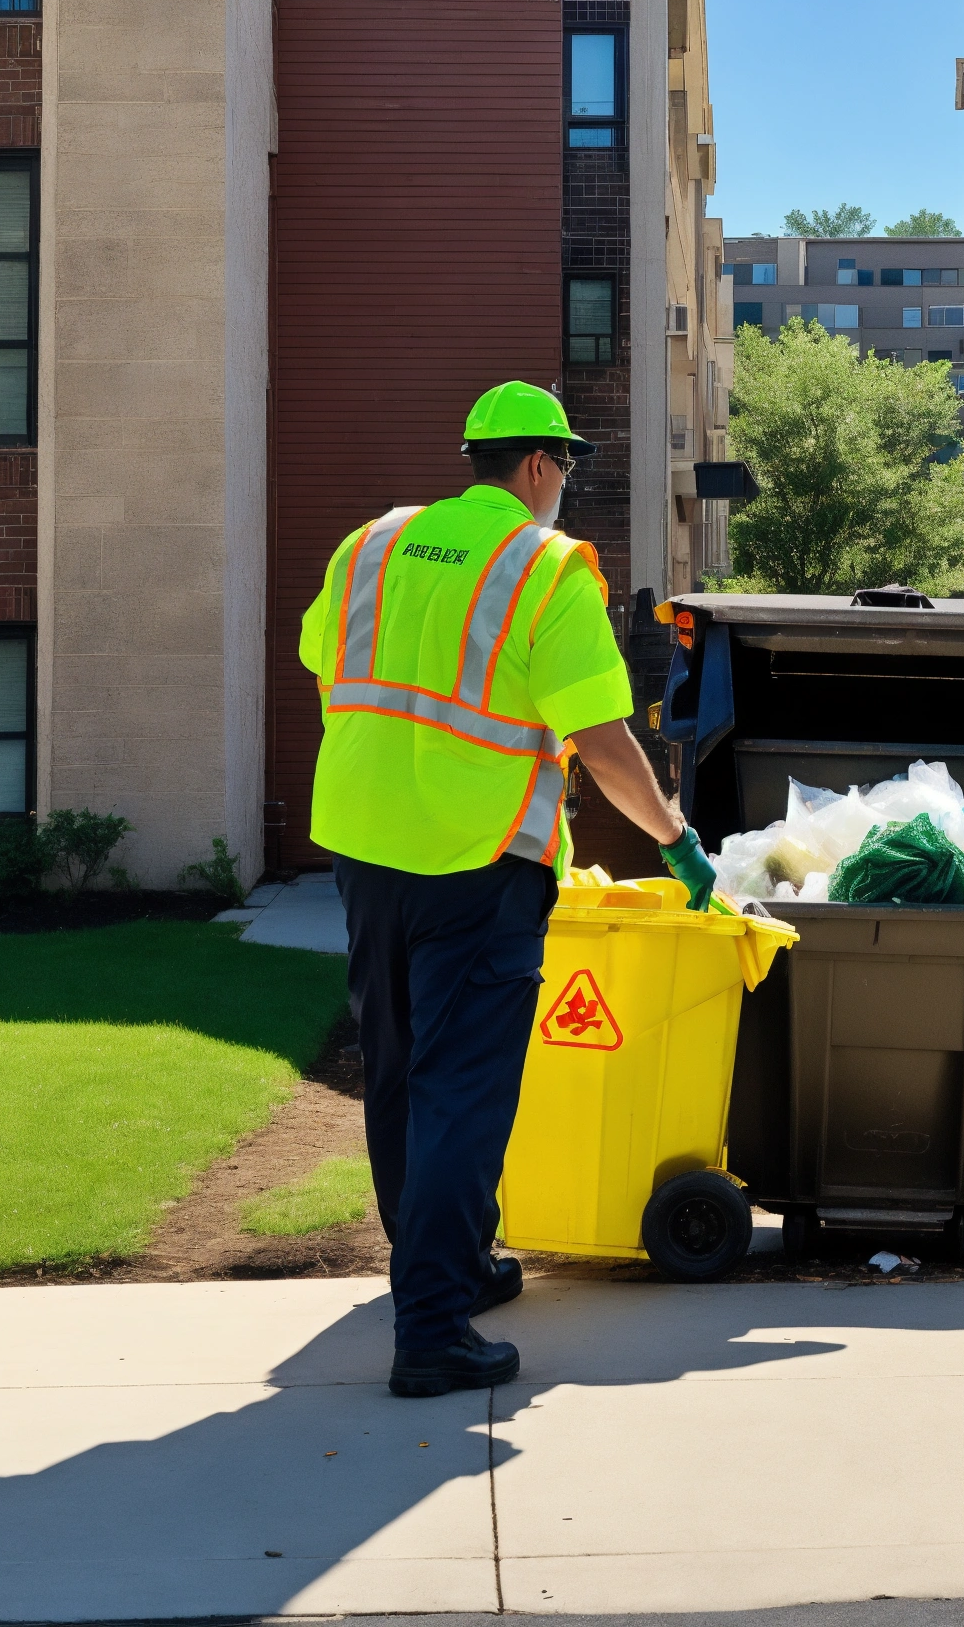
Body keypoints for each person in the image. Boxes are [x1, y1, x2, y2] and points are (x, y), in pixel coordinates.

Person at [298, 381, 718, 1399]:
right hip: (478, 858)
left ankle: (446, 1268)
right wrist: (674, 837)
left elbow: (326, 662)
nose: (564, 484)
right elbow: (601, 739)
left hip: (363, 847)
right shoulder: (543, 567)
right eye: (565, 464)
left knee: (396, 1070)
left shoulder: (373, 546)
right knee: (462, 1088)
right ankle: (433, 1325)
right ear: (536, 466)